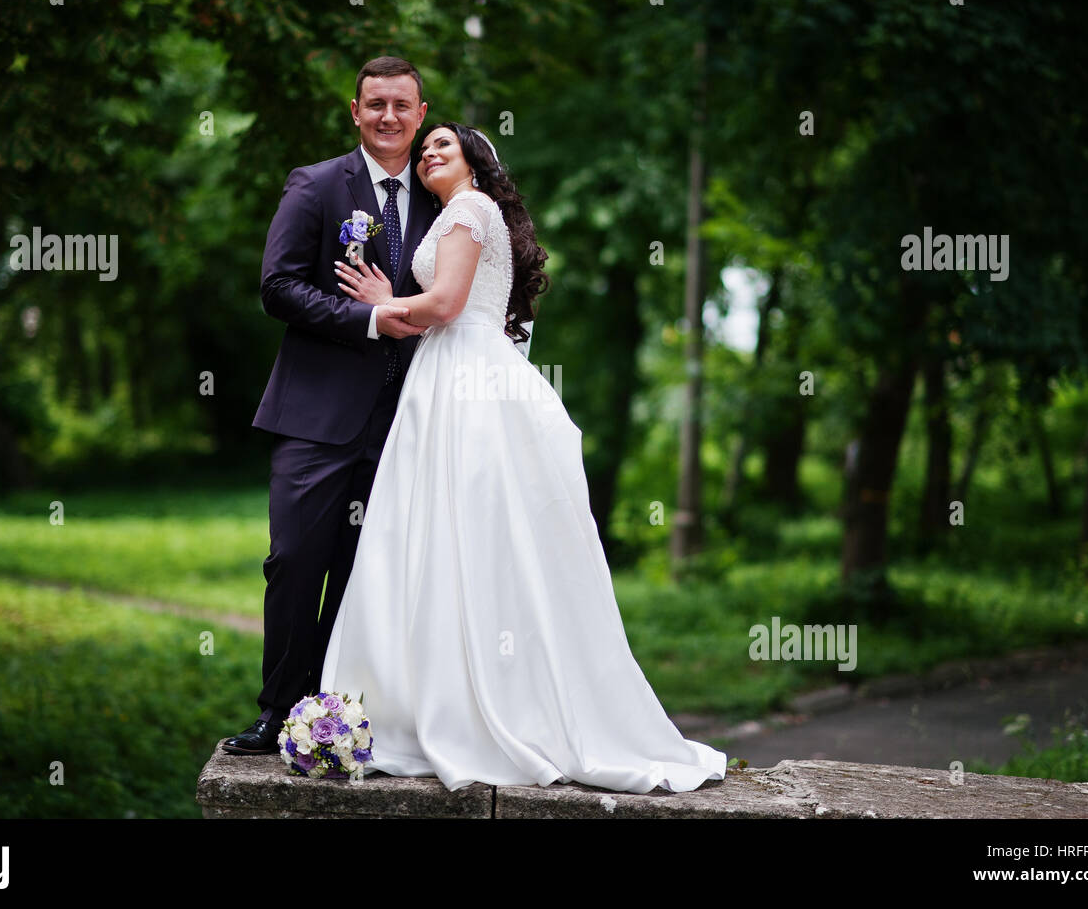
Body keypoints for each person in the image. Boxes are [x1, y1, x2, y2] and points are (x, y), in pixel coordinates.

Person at [319, 121, 730, 792]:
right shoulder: (460, 214)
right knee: (452, 531)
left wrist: (382, 300)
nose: (428, 154)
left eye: (442, 145)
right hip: (453, 375)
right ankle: (438, 698)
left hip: (463, 378)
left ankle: (463, 707)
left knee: (455, 527)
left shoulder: (471, 209)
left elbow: (448, 304)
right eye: (424, 150)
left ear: (475, 161)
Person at [221, 57, 436, 754]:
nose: (388, 117)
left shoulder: (440, 200)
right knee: (294, 561)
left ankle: (340, 719)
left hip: (404, 422)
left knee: (364, 570)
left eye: (401, 105)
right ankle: (277, 707)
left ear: (421, 113)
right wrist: (371, 319)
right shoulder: (315, 185)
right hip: (314, 420)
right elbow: (277, 286)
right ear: (355, 111)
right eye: (375, 104)